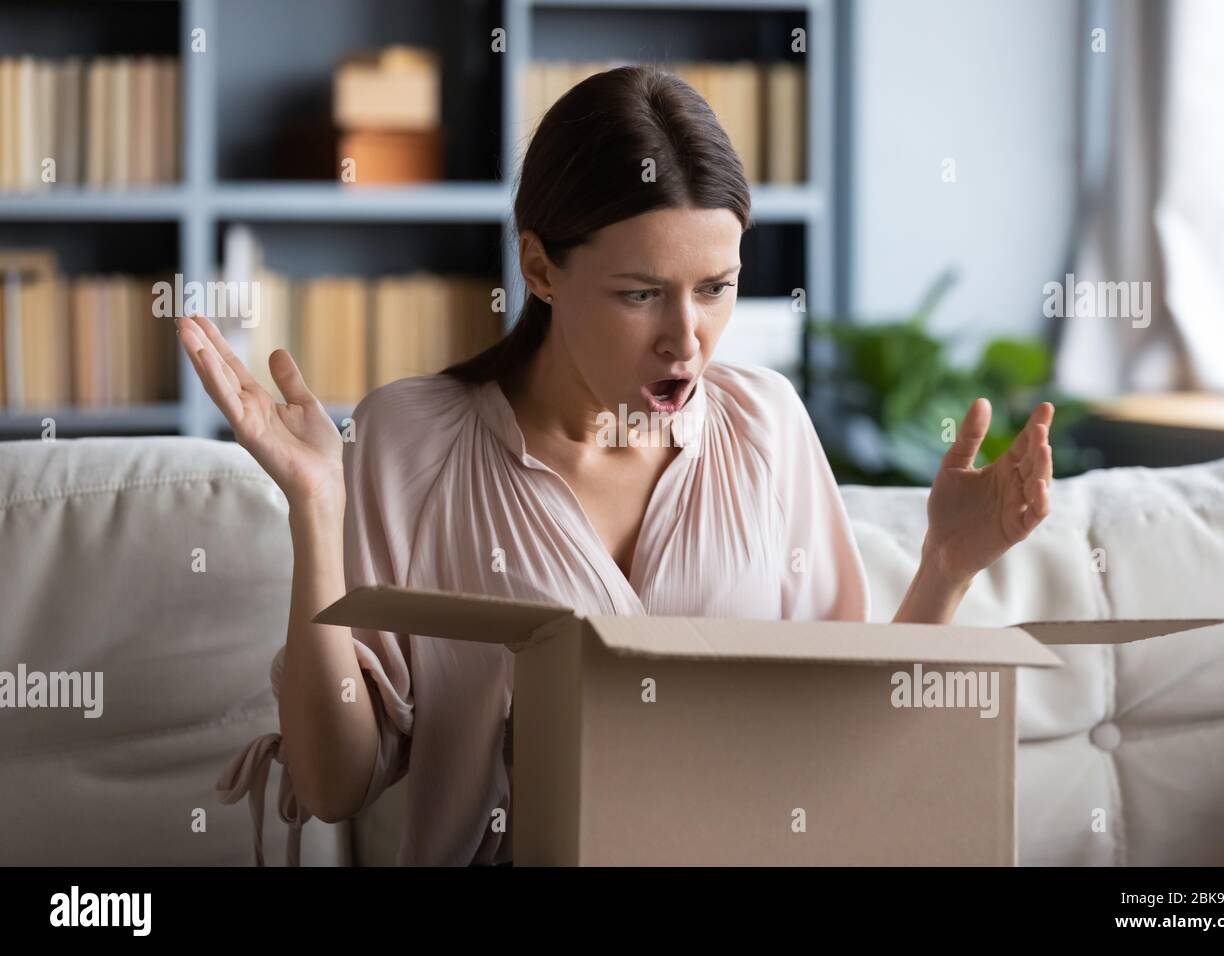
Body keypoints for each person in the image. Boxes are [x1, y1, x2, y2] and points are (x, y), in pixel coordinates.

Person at [186, 66, 1054, 866]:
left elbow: (841, 750)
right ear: (541, 269)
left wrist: (946, 564)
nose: (687, 340)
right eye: (642, 295)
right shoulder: (412, 441)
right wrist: (315, 506)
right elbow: (336, 785)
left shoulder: (768, 427)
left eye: (716, 288)